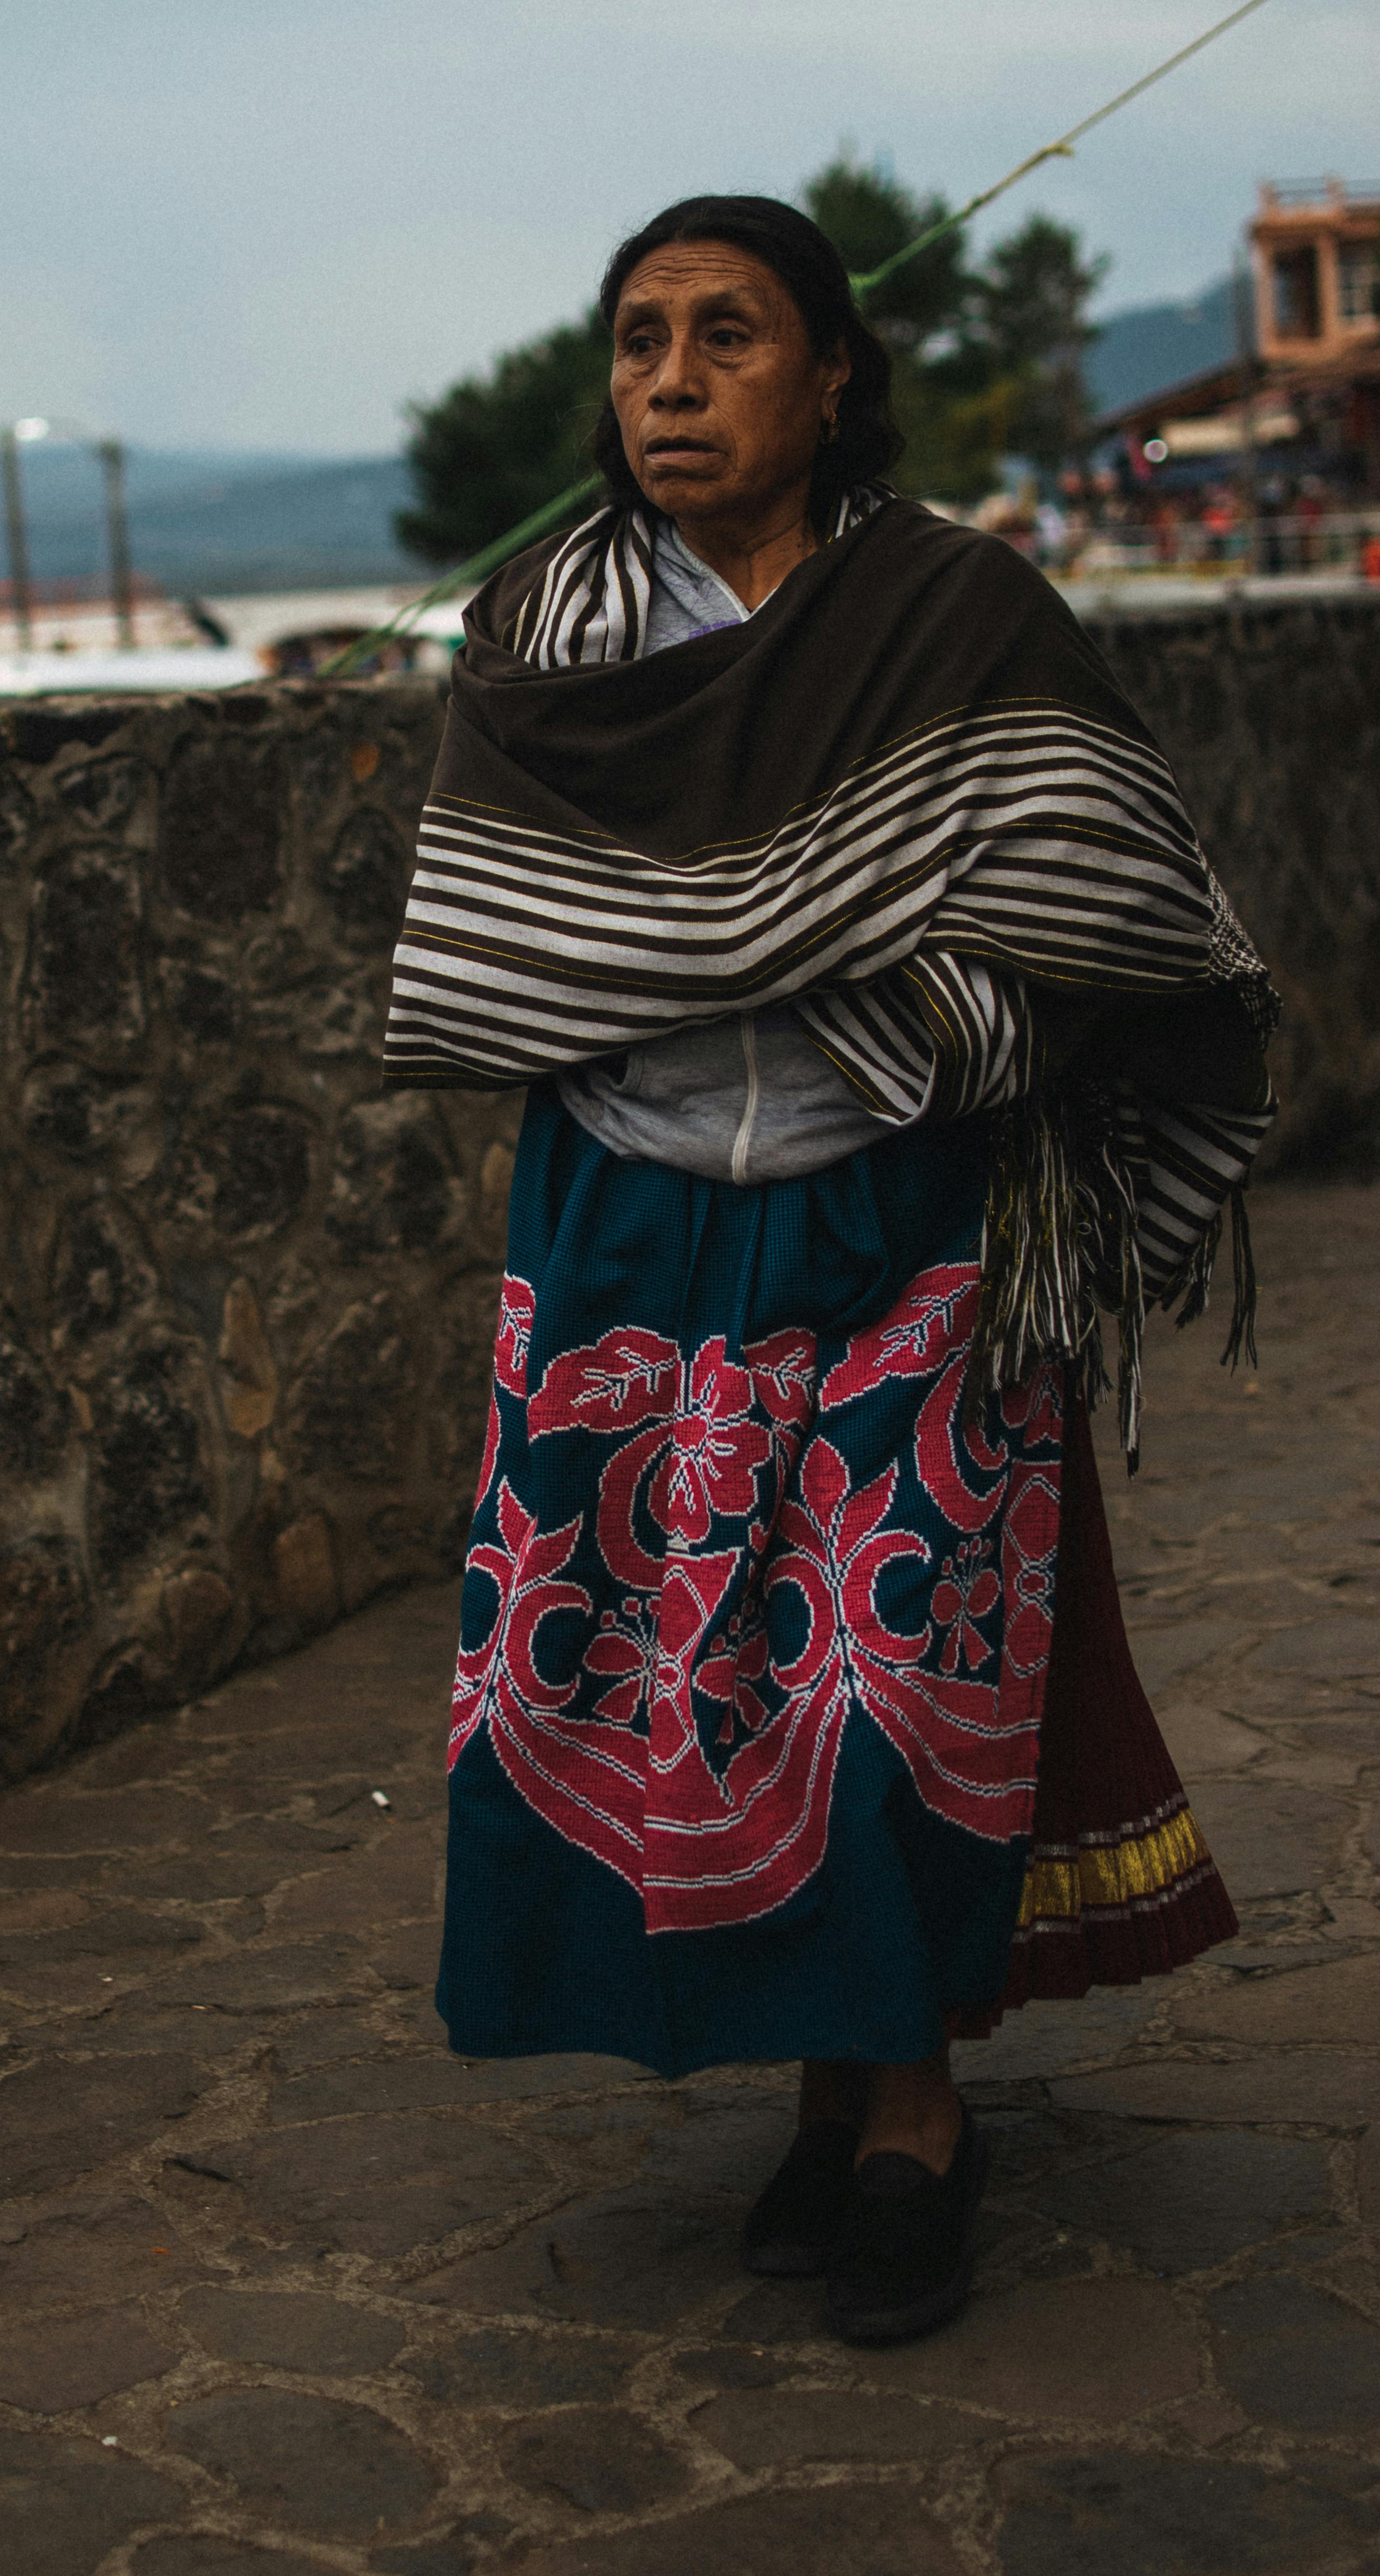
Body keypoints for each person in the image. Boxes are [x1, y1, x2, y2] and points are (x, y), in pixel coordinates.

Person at [384, 195, 1276, 2348]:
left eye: (726, 336)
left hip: (909, 1205)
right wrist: (770, 922)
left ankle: (908, 2121)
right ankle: (820, 2084)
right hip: (627, 1218)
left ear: (832, 374)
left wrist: (895, 989)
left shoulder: (954, 609)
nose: (671, 381)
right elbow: (521, 935)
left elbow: (1113, 890)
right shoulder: (549, 636)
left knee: (895, 1671)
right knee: (688, 1667)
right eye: (636, 343)